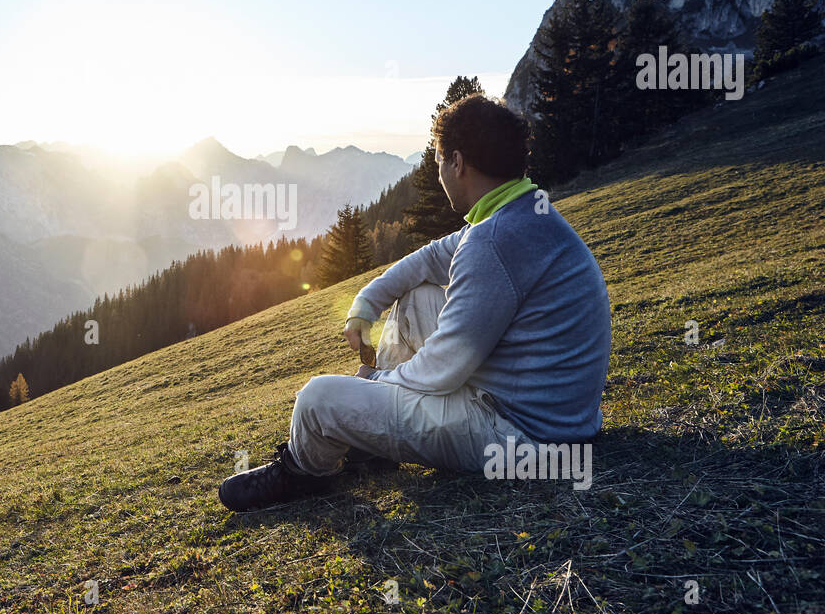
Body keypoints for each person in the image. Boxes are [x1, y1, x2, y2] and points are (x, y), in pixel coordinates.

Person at [219, 95, 612, 511]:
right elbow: (428, 259)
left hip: (522, 436)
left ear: (457, 162)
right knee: (415, 299)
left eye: (439, 159)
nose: (438, 172)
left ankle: (304, 472)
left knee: (317, 400)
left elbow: (442, 369)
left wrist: (373, 382)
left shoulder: (493, 241)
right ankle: (372, 445)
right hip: (556, 417)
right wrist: (366, 304)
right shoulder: (520, 214)